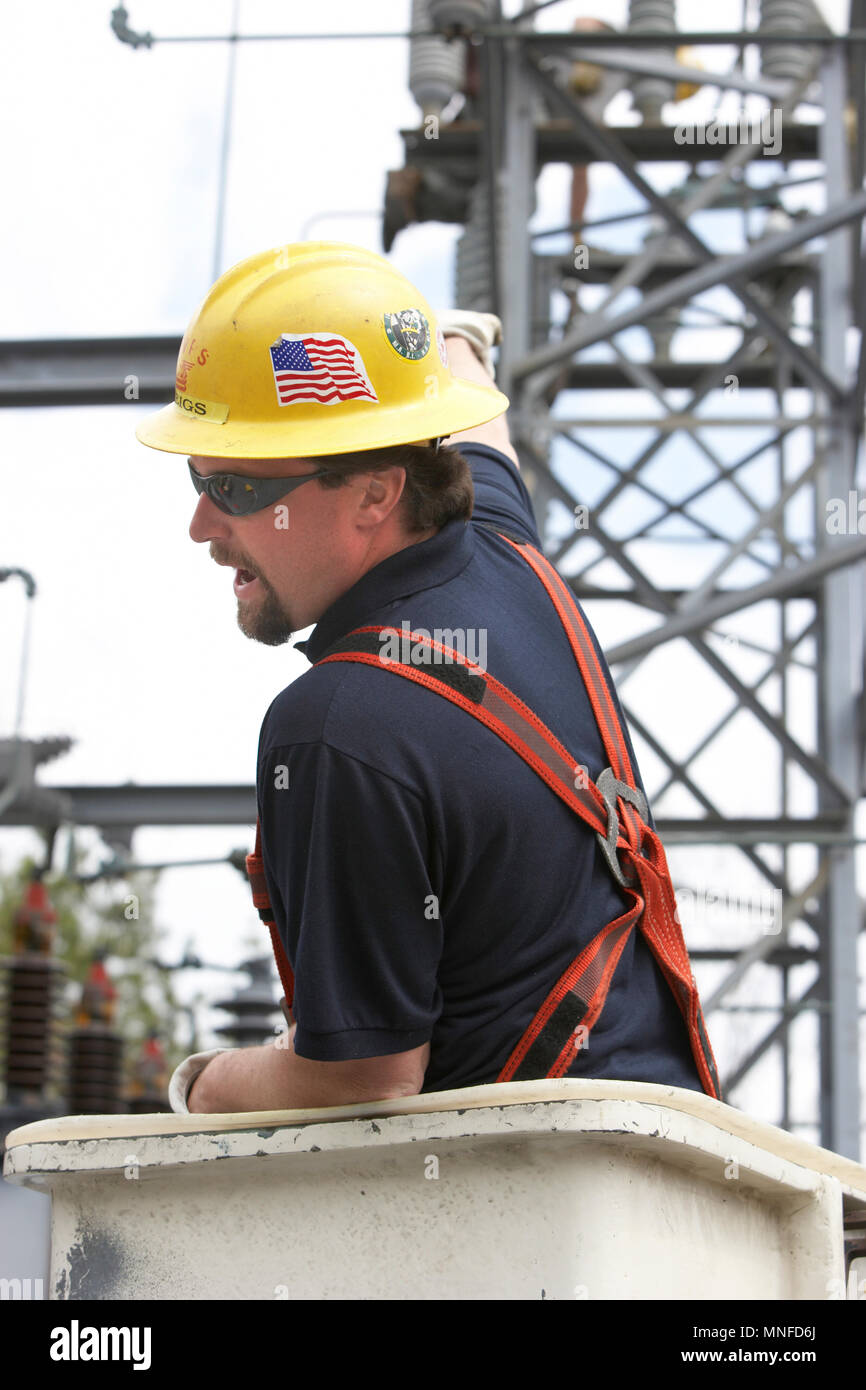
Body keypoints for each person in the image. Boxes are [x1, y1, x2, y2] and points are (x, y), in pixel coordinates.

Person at [135, 242, 714, 1114]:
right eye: (199, 477)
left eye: (239, 490)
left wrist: (199, 1086)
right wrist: (453, 342)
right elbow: (485, 439)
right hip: (666, 1130)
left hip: (528, 1185)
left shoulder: (336, 727)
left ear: (375, 494)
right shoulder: (503, 551)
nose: (201, 526)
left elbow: (361, 1081)